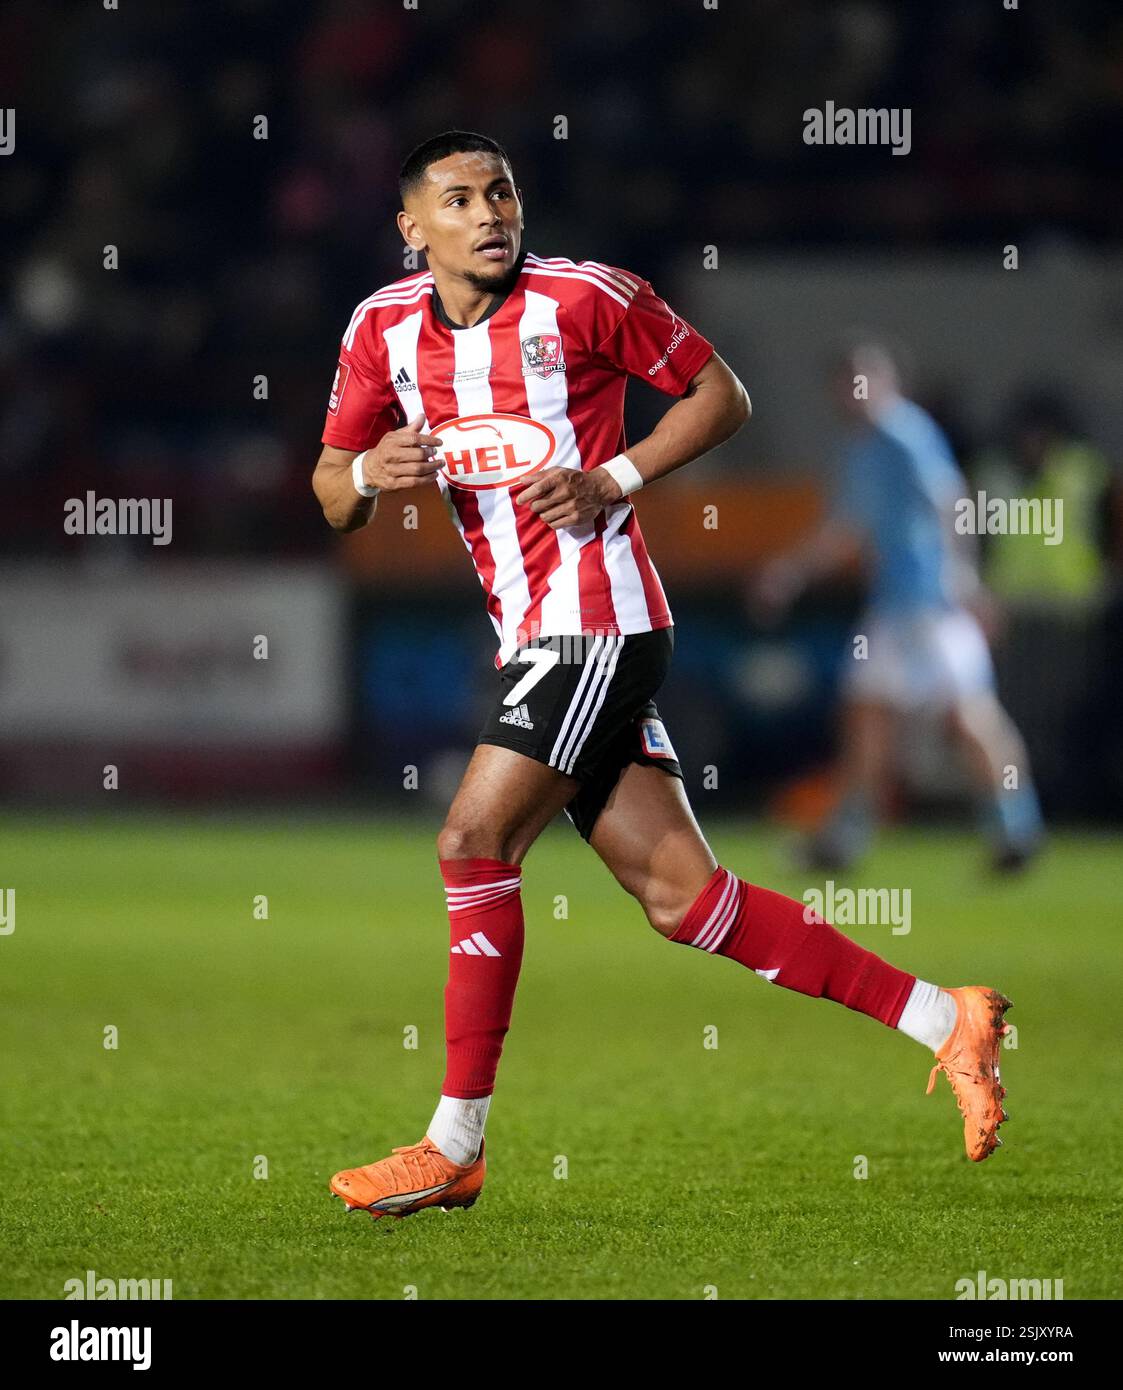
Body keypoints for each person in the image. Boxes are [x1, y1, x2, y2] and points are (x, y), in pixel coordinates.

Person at [312, 133, 1012, 1220]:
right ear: (413, 229)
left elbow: (718, 395)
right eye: (459, 199)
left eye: (502, 191)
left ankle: (454, 1143)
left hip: (597, 623)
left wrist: (613, 477)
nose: (491, 212)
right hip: (530, 634)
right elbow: (329, 492)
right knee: (687, 900)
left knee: (470, 839)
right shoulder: (379, 330)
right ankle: (944, 1017)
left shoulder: (588, 299)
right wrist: (363, 470)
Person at [753, 339, 1044, 872]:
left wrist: (966, 584)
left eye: (866, 377)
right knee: (873, 718)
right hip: (896, 609)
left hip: (928, 605)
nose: (856, 391)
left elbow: (949, 503)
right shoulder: (863, 447)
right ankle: (850, 839)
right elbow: (847, 532)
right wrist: (791, 572)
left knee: (965, 717)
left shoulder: (902, 432)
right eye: (848, 381)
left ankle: (1015, 829)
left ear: (888, 380)